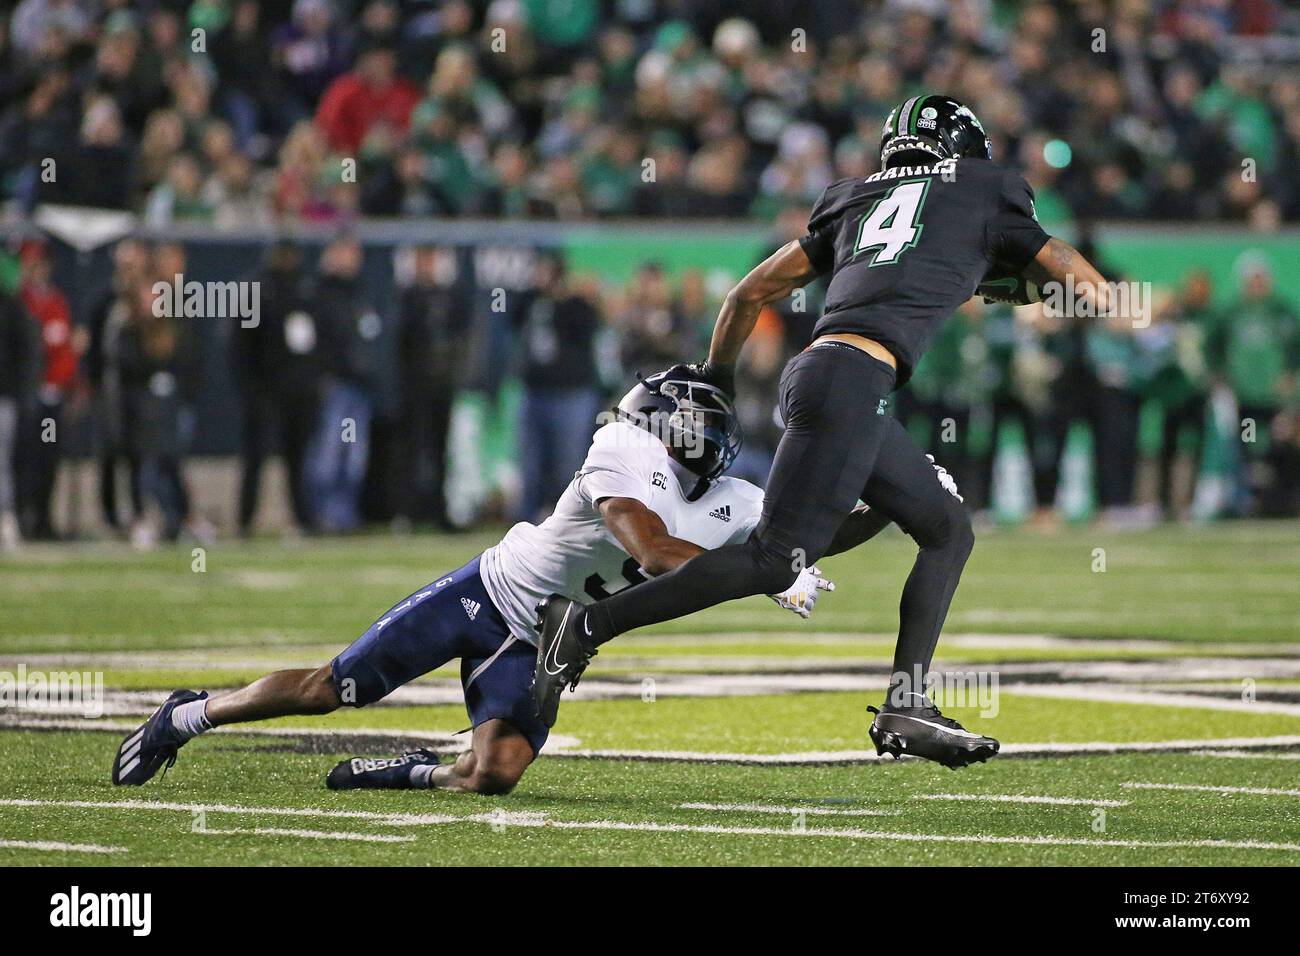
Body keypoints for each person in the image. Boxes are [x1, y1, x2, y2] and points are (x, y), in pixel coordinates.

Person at [533, 94, 1113, 770]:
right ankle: (583, 625)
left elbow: (745, 294)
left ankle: (906, 704)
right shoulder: (988, 187)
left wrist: (716, 376)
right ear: (963, 149)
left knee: (946, 525)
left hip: (832, 376)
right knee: (775, 560)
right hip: (851, 383)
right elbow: (1064, 270)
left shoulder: (853, 198)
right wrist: (1106, 297)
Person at [110, 367, 884, 791]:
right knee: (335, 686)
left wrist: (893, 504)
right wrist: (768, 576)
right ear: (668, 418)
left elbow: (813, 530)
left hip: (547, 639)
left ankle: (412, 773)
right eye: (705, 418)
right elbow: (650, 552)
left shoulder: (730, 499)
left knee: (495, 776)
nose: (718, 434)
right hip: (492, 595)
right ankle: (188, 715)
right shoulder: (622, 450)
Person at [233, 240, 323, 535]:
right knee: (256, 457)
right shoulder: (256, 290)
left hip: (298, 390)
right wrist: (250, 388)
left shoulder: (305, 289)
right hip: (265, 389)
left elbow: (315, 343)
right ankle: (245, 520)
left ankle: (303, 518)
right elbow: (240, 347)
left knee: (297, 459)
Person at [514, 251, 603, 522]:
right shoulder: (529, 300)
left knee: (568, 465)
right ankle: (525, 524)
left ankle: (568, 523)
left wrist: (568, 297)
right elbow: (505, 311)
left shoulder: (576, 304)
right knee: (530, 465)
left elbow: (588, 327)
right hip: (535, 392)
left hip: (571, 395)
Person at [395, 245, 470, 529]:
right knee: (413, 450)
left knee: (440, 451)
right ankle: (409, 514)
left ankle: (440, 512)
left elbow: (461, 338)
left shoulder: (449, 296)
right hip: (415, 387)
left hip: (442, 386)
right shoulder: (408, 296)